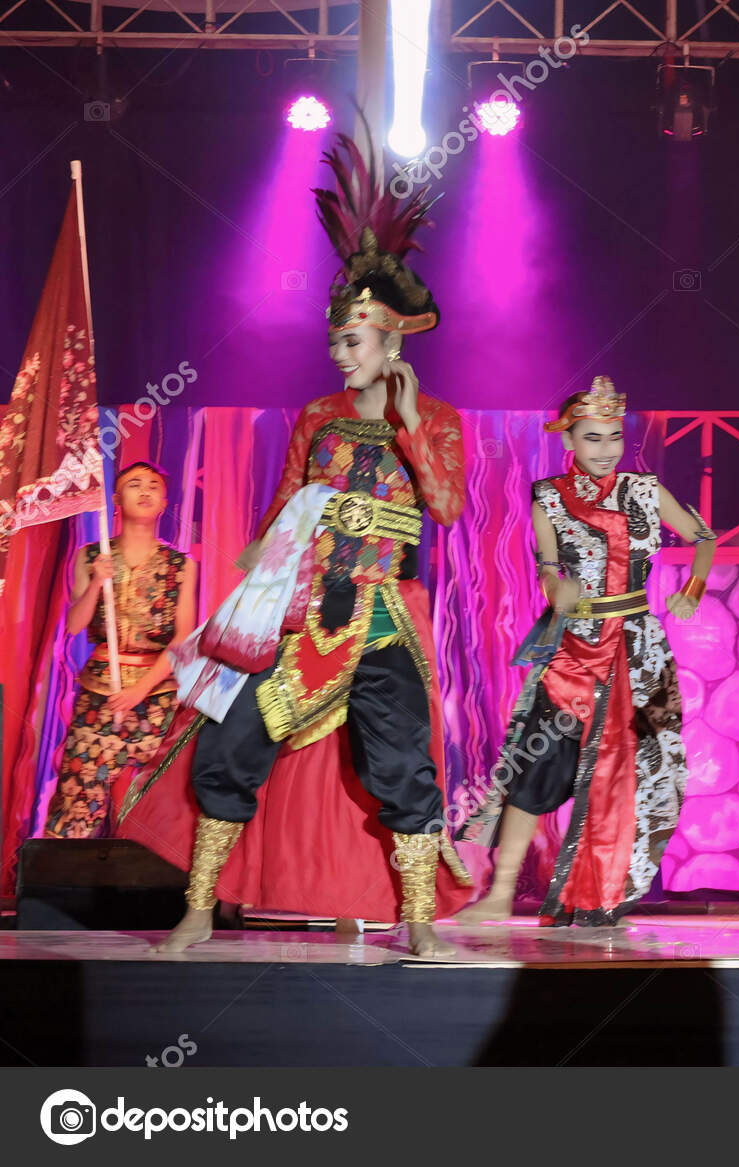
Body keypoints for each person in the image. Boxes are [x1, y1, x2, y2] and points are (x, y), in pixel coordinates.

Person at [117, 126, 472, 956]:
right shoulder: (317, 417)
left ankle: (419, 919)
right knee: (227, 743)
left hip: (383, 616)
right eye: (335, 340)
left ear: (391, 341)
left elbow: (449, 507)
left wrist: (411, 423)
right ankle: (198, 909)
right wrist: (245, 592)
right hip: (302, 609)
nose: (340, 354)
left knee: (402, 765)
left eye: (353, 341)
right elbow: (282, 512)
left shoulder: (437, 418)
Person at [454, 377, 715, 926]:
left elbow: (703, 538)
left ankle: (604, 894)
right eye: (592, 438)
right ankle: (501, 892)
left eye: (614, 437)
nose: (606, 449)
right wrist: (558, 591)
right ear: (568, 440)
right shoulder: (549, 496)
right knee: (536, 764)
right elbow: (548, 567)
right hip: (575, 650)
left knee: (632, 773)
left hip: (639, 653)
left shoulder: (645, 490)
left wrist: (692, 591)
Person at [41, 462, 196, 838]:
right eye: (134, 484)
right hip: (100, 693)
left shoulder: (181, 566)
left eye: (153, 486)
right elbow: (75, 625)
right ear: (116, 499)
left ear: (163, 501)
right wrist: (97, 582)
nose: (144, 491)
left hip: (156, 694)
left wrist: (139, 690)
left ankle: (146, 869)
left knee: (156, 796)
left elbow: (182, 639)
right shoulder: (91, 556)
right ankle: (67, 869)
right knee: (80, 789)